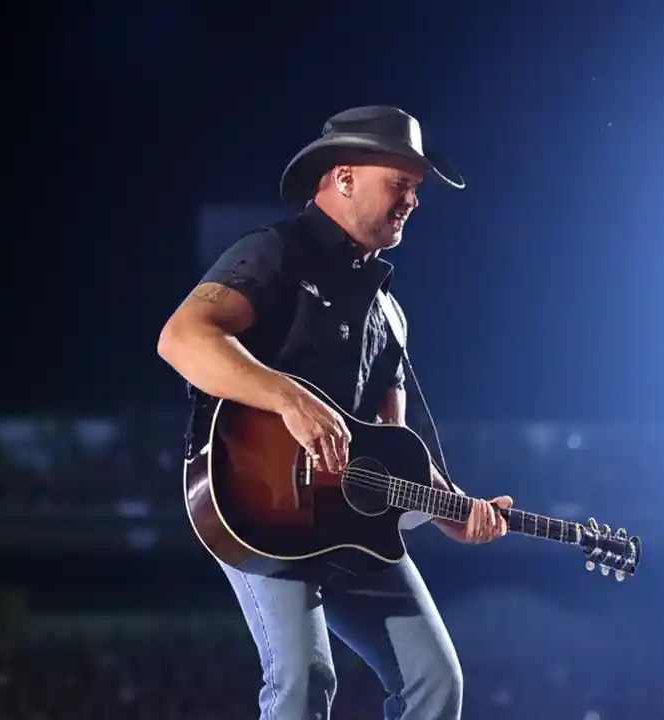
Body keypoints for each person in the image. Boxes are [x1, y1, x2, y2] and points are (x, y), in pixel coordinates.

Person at [157, 105, 513, 720]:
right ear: (344, 177)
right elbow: (182, 338)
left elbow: (393, 442)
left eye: (417, 189)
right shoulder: (274, 253)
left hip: (351, 521)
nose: (413, 200)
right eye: (400, 183)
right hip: (262, 504)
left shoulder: (389, 311)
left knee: (436, 681)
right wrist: (289, 398)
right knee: (304, 680)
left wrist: (447, 505)